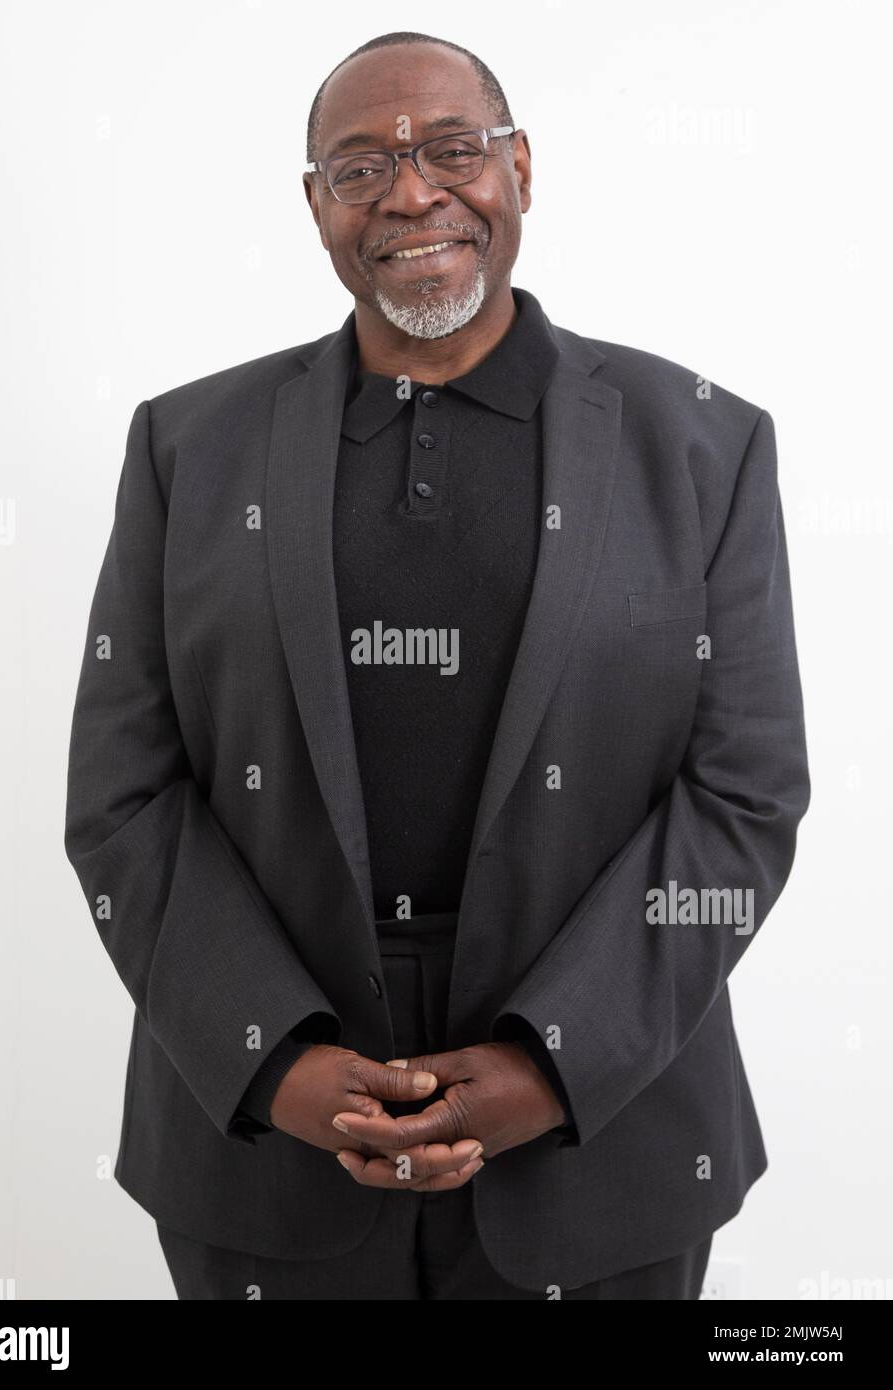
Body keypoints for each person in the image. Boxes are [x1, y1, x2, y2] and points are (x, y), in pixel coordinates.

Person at [64, 31, 810, 1300]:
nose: (411, 195)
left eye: (452, 151)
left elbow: (744, 798)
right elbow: (124, 797)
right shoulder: (187, 448)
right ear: (316, 207)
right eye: (360, 168)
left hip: (606, 1141)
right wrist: (272, 1057)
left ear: (520, 168)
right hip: (261, 1151)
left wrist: (555, 1060)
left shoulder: (701, 445)